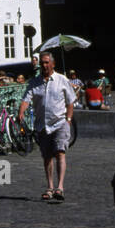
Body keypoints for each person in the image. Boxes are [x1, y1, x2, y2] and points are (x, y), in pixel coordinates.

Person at [18, 50, 76, 202]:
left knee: (60, 152)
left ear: (52, 64)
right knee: (47, 157)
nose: (44, 65)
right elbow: (26, 99)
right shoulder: (34, 82)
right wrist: (21, 112)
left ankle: (60, 187)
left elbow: (70, 101)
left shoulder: (61, 80)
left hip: (60, 122)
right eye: (42, 62)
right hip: (42, 125)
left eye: (46, 62)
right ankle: (50, 187)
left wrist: (68, 120)